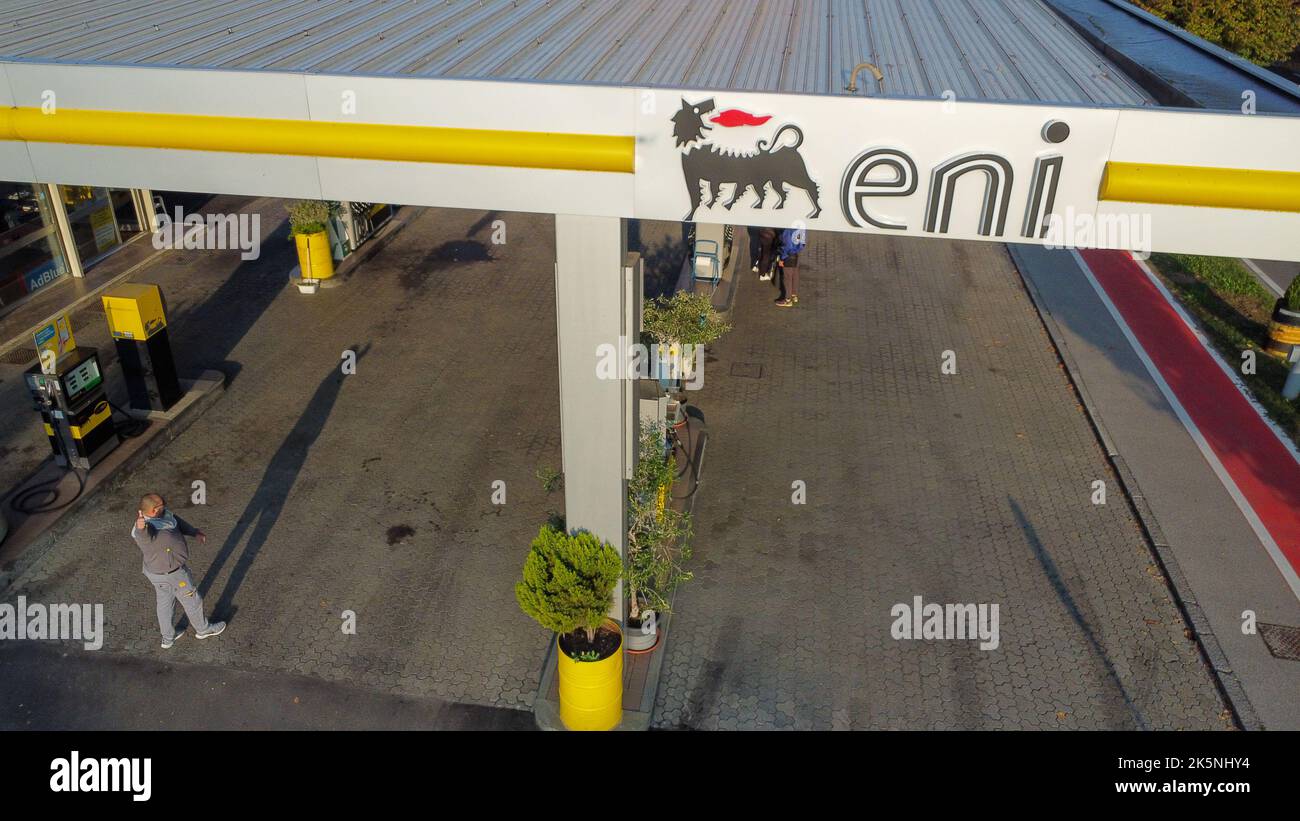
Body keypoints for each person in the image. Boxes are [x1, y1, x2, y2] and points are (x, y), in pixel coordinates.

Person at [132, 493, 225, 649]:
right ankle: (203, 629)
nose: (166, 505)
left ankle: (168, 638)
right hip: (173, 575)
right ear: (154, 510)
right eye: (162, 504)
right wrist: (141, 527)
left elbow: (176, 522)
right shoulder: (145, 528)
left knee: (165, 603)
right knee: (192, 600)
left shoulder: (164, 515)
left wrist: (194, 532)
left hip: (157, 573)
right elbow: (143, 537)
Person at [775, 227, 807, 307]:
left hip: (788, 255)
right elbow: (803, 242)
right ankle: (794, 295)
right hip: (797, 253)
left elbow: (787, 246)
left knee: (787, 277)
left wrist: (782, 258)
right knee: (795, 274)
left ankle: (788, 300)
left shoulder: (788, 229)